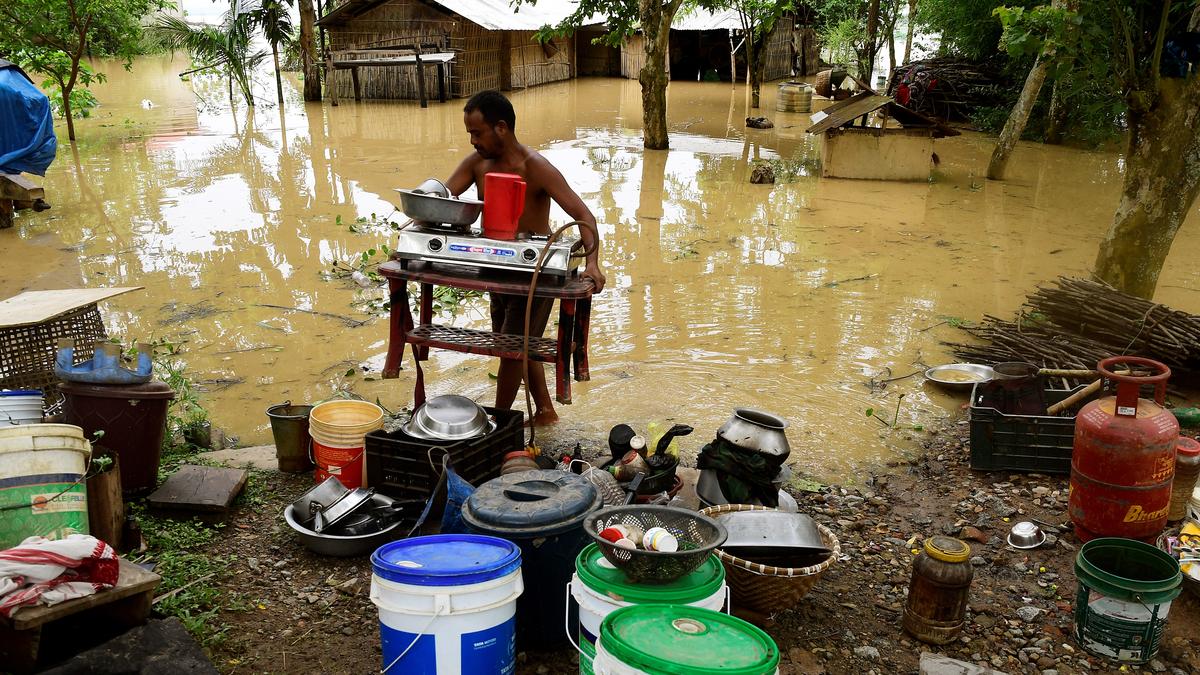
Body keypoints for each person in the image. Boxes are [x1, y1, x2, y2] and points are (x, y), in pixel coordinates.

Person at [445, 90, 606, 426]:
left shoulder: (535, 167)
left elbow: (583, 215)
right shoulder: (477, 164)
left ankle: (497, 423)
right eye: (470, 134)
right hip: (495, 269)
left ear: (501, 128)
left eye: (477, 133)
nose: (473, 141)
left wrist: (592, 263)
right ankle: (545, 412)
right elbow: (443, 198)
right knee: (518, 342)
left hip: (535, 273)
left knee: (510, 347)